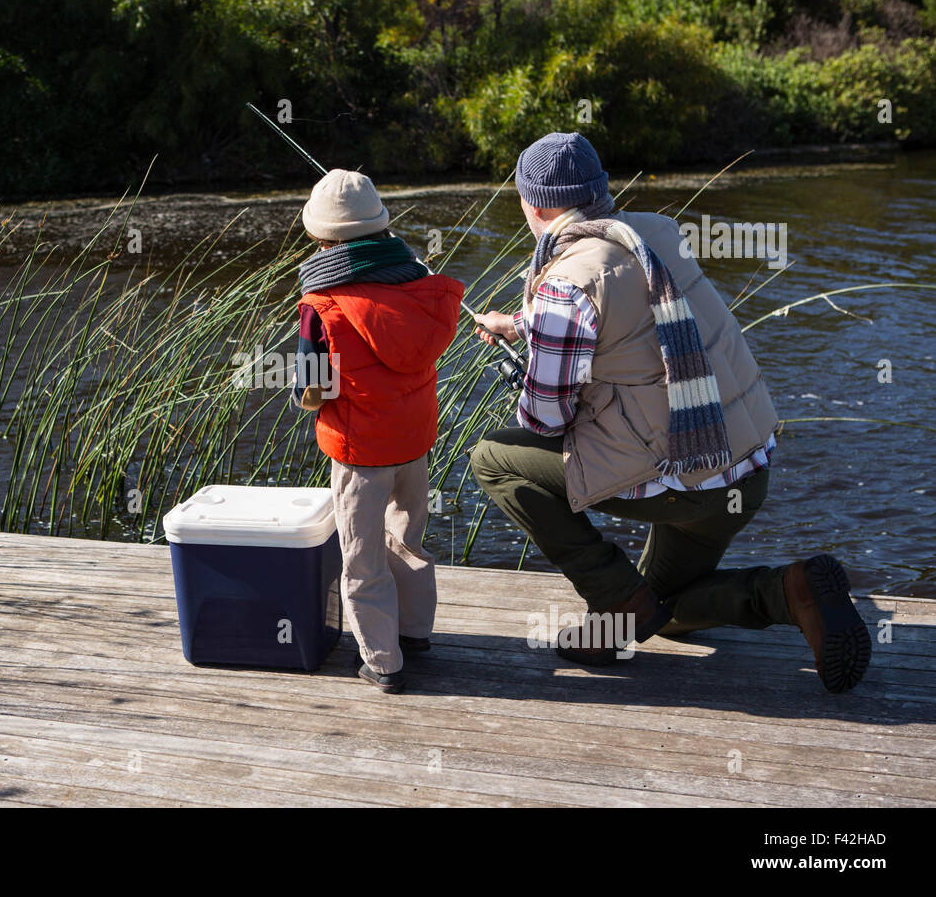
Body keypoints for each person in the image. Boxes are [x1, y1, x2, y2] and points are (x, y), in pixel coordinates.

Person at [468, 132, 870, 693]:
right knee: (666, 610)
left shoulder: (563, 282)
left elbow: (546, 419)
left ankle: (614, 599)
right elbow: (632, 323)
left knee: (493, 458)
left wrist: (534, 354)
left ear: (533, 206)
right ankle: (792, 590)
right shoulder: (657, 232)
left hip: (683, 481)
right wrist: (526, 328)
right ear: (601, 191)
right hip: (744, 473)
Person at [292, 169, 464, 693]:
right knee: (406, 538)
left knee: (362, 558)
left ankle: (382, 661)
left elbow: (312, 388)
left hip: (358, 451)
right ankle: (414, 633)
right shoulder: (421, 287)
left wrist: (308, 399)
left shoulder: (321, 308)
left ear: (322, 238)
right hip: (414, 443)